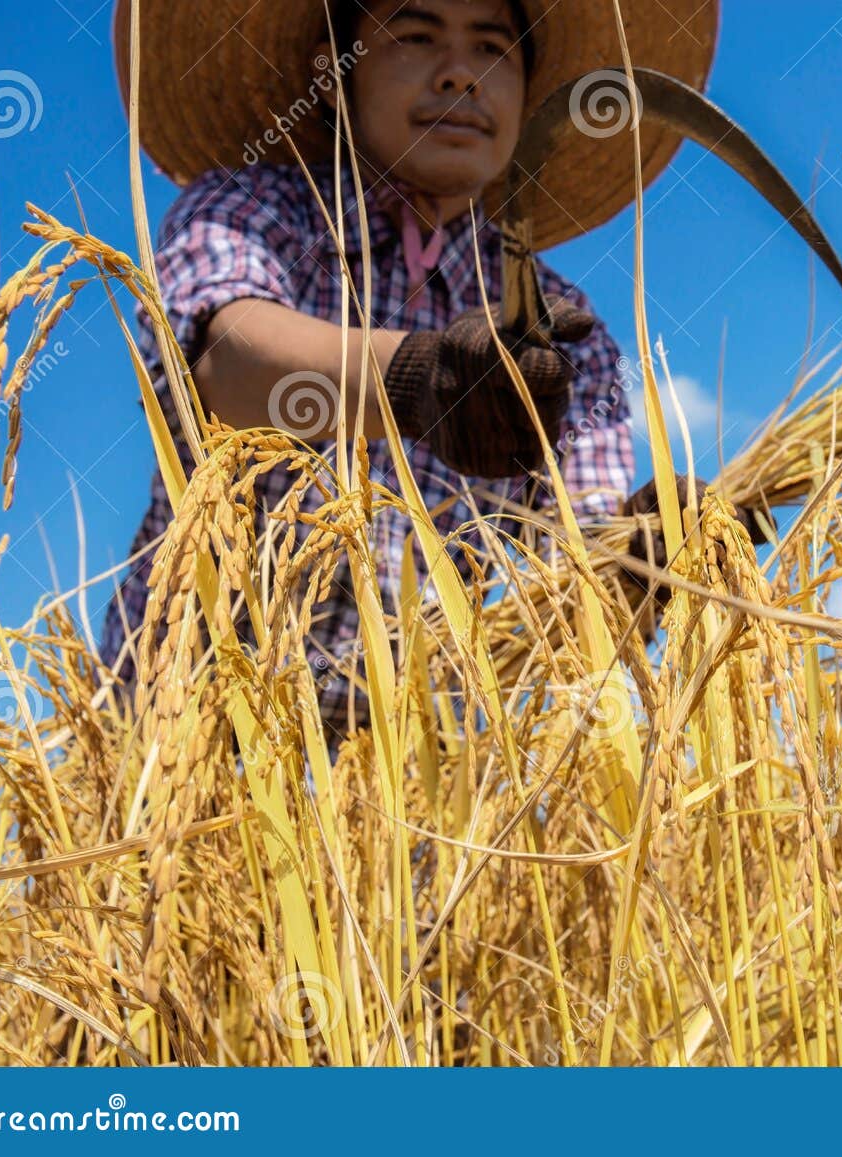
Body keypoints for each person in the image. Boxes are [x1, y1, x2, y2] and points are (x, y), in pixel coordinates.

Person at [100, 0, 768, 740]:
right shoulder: (248, 209)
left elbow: (570, 584)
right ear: (332, 74)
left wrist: (646, 560)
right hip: (192, 738)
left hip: (425, 788)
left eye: (491, 49)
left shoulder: (557, 322)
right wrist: (418, 379)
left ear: (529, 98)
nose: (460, 76)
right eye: (414, 38)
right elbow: (222, 364)